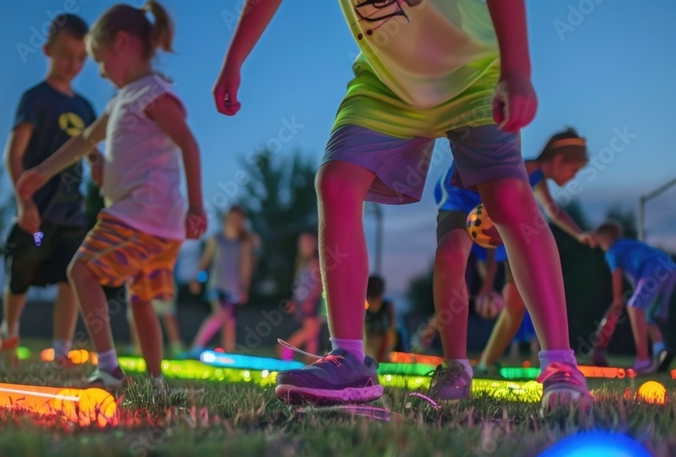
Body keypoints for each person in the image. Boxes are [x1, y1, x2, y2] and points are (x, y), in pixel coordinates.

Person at [215, 0, 593, 410]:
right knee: (337, 182)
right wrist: (234, 59)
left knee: (505, 197)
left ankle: (560, 365)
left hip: (473, 71)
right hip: (387, 81)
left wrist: (516, 70)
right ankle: (349, 359)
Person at [15, 1, 207, 397]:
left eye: (100, 60)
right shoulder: (123, 100)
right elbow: (85, 140)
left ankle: (109, 369)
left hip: (139, 215)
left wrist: (198, 205)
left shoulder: (151, 94)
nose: (99, 71)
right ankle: (156, 385)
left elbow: (189, 142)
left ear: (122, 44)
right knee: (141, 300)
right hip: (159, 224)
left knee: (80, 271)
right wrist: (41, 172)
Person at [431, 129, 591, 390]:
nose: (572, 176)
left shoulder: (534, 176)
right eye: (573, 170)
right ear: (559, 160)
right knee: (452, 255)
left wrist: (580, 234)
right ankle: (457, 365)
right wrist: (488, 282)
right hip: (465, 203)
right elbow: (491, 220)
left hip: (492, 217)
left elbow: (552, 209)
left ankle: (485, 364)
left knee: (515, 302)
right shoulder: (523, 170)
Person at [0, 14, 102, 374]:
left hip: (71, 214)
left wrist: (101, 165)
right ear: (47, 51)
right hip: (37, 217)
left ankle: (61, 349)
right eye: (65, 55)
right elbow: (14, 154)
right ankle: (9, 333)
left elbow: (91, 150)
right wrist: (23, 201)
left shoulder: (85, 107)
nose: (72, 64)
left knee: (70, 276)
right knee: (23, 271)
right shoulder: (35, 99)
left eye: (80, 58)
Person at [593, 222, 675, 374]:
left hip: (653, 269)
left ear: (605, 237)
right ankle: (661, 351)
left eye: (599, 239)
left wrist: (617, 299)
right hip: (669, 268)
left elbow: (616, 274)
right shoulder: (629, 244)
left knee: (634, 306)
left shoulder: (613, 250)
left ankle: (643, 361)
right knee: (646, 315)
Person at [186, 206, 255, 356]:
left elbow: (246, 267)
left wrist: (244, 289)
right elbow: (205, 260)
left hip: (234, 288)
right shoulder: (216, 239)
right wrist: (195, 279)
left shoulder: (244, 243)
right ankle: (196, 347)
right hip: (216, 286)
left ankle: (228, 353)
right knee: (220, 315)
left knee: (230, 322)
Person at [281, 230, 323, 361]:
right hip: (305, 303)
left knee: (312, 332)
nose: (305, 246)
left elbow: (318, 284)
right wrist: (295, 301)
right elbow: (298, 285)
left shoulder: (314, 263)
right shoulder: (301, 264)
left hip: (312, 302)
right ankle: (287, 347)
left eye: (309, 243)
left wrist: (311, 299)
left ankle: (309, 359)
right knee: (311, 330)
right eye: (303, 243)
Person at [363, 275, 396, 364]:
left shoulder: (387, 307)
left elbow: (391, 333)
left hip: (382, 349)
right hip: (367, 347)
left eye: (376, 300)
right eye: (371, 299)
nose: (374, 304)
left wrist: (387, 351)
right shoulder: (363, 309)